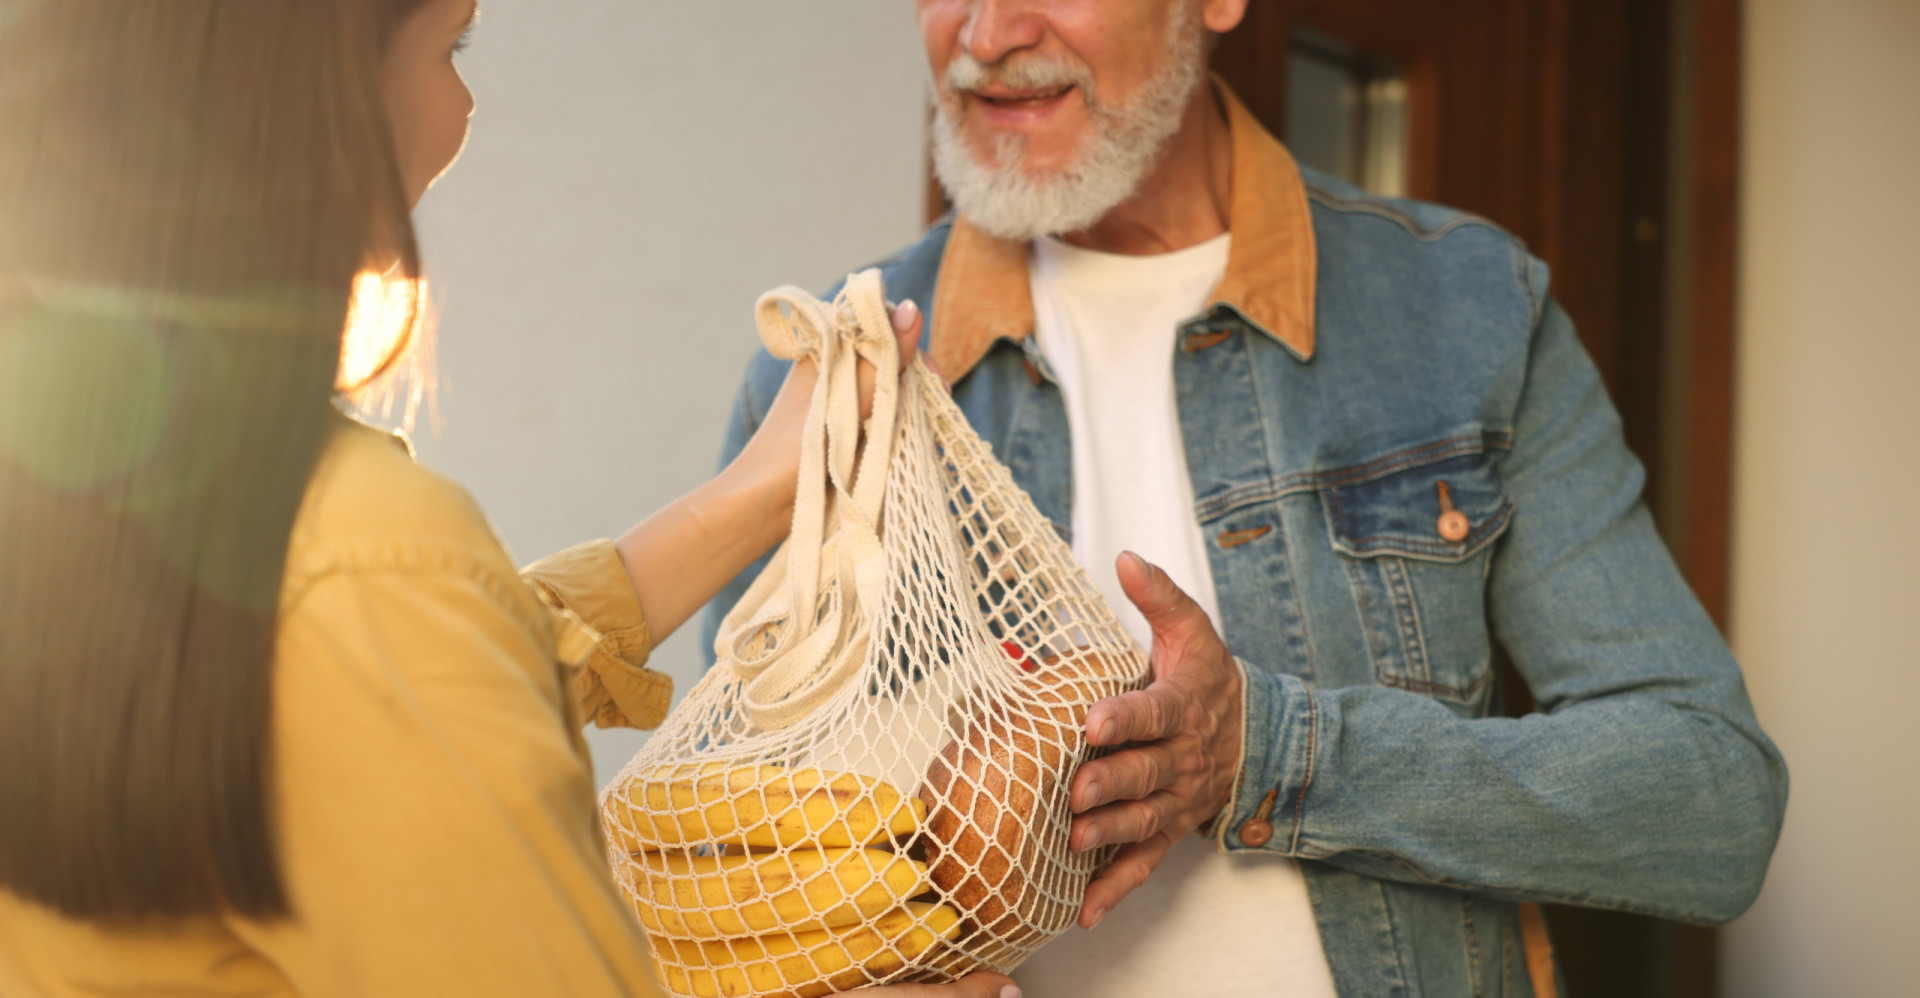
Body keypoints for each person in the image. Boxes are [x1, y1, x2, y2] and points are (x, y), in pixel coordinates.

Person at [707, 0, 1790, 994]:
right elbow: (737, 860)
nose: (987, 34)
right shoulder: (831, 378)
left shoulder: (1471, 310)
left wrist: (1265, 753)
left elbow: (1714, 803)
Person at [0, 2, 1014, 996]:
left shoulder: (83, 472)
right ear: (321, 90)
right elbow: (401, 647)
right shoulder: (369, 565)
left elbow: (407, 677)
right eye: (454, 43)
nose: (465, 107)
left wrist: (754, 491)